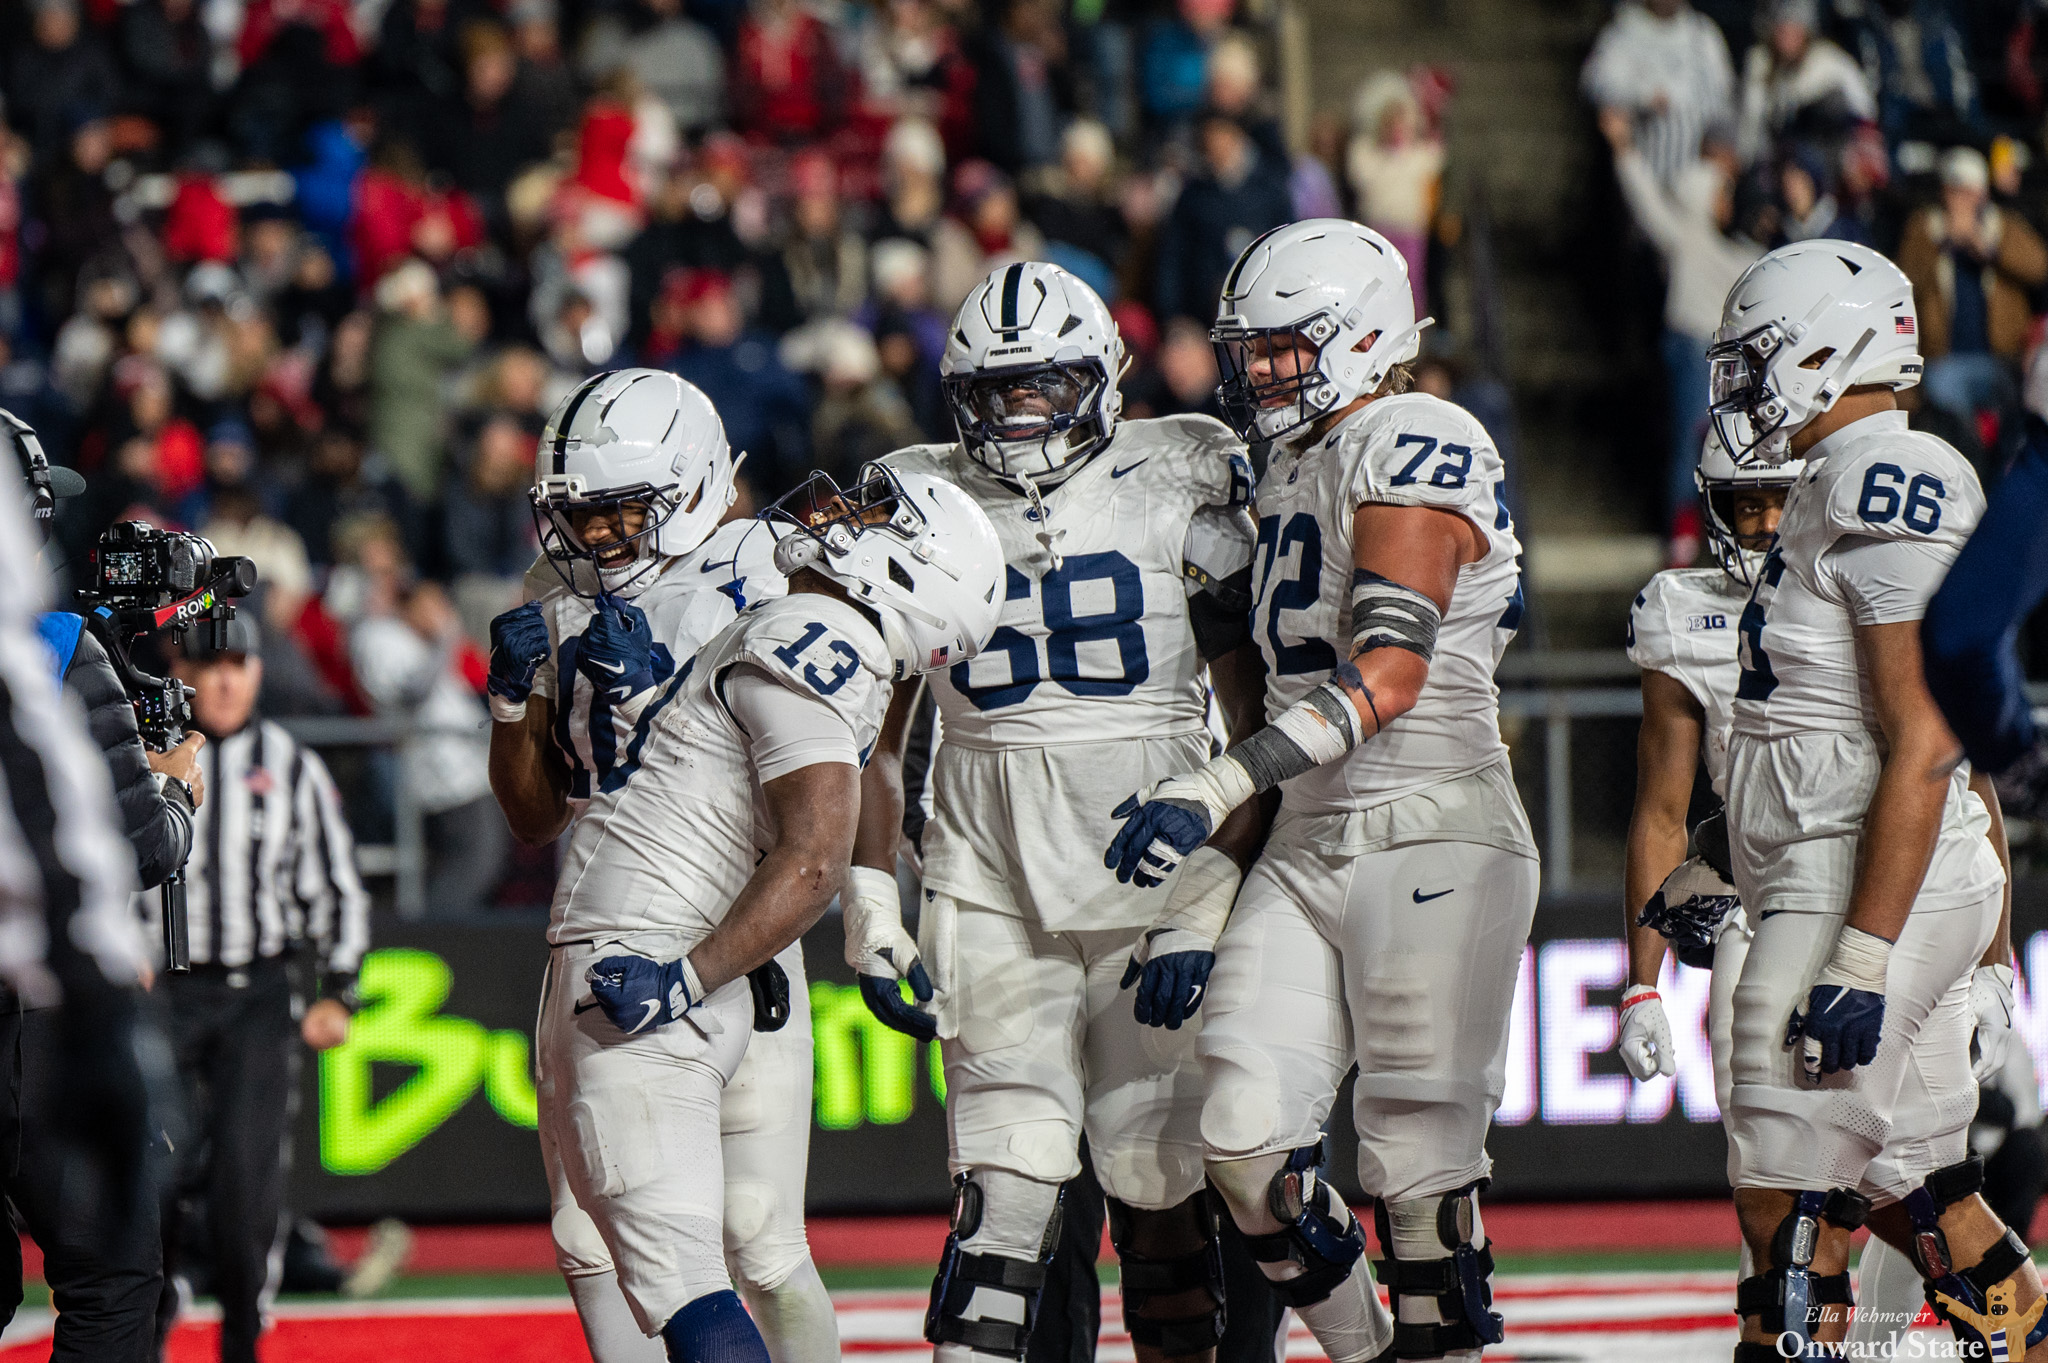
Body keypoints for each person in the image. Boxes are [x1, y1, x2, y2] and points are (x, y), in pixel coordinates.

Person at [1106, 219, 1538, 1363]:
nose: (1257, 376)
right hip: (1307, 835)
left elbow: (1388, 671)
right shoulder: (1291, 464)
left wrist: (1216, 781)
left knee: (1413, 1166)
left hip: (1430, 825)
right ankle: (1360, 1350)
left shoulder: (1415, 433)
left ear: (1361, 339)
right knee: (1240, 1138)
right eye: (1248, 352)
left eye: (1284, 350)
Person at [846, 261, 1276, 1363]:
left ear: (1102, 380)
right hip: (987, 871)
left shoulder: (1179, 471)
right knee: (1003, 1196)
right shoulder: (911, 493)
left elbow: (1252, 729)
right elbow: (873, 737)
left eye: (1045, 385)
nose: (1020, 413)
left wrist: (1205, 904)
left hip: (1153, 865)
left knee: (1162, 1189)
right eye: (996, 391)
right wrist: (868, 902)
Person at [532, 462, 1002, 1363]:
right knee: (639, 1246)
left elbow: (813, 852)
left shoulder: (807, 628)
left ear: (904, 569)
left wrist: (684, 980)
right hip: (682, 938)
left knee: (695, 1269)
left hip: (666, 946)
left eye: (875, 515)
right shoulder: (816, 625)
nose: (839, 511)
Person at [1705, 239, 2026, 1360]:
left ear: (1828, 350)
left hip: (1866, 882)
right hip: (1844, 868)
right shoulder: (1835, 479)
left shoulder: (1889, 470)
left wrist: (1864, 951)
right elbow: (1813, 725)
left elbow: (1929, 733)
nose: (1739, 392)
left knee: (1784, 1202)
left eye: (1755, 364)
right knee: (1913, 1187)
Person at [486, 369, 832, 1363]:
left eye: (617, 511)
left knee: (761, 1244)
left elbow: (818, 767)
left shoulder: (769, 567)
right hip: (604, 902)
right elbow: (532, 812)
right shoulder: (553, 594)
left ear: (686, 486)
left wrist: (667, 700)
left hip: (730, 925)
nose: (592, 537)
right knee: (587, 1239)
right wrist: (512, 707)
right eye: (576, 515)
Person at [1616, 431, 1928, 1351]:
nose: (1757, 522)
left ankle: (1923, 1325)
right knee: (1770, 1190)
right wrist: (1642, 982)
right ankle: (1809, 1338)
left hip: (1892, 888)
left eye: (1774, 500)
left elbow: (1948, 763)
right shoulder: (1683, 608)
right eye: (1739, 502)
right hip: (1763, 899)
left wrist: (1988, 957)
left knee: (1907, 1168)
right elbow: (1662, 810)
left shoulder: (1872, 580)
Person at [149, 614, 371, 1363]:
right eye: (208, 664)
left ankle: (242, 1338)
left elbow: (336, 889)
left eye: (237, 663)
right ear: (178, 668)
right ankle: (144, 1331)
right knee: (158, 1175)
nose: (223, 679)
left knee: (246, 1185)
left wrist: (339, 987)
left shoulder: (291, 764)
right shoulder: (145, 756)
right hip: (163, 997)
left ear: (257, 671)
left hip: (256, 997)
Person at [0, 408, 169, 1361]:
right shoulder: (52, 649)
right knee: (111, 1280)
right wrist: (179, 784)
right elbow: (139, 848)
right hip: (33, 1009)